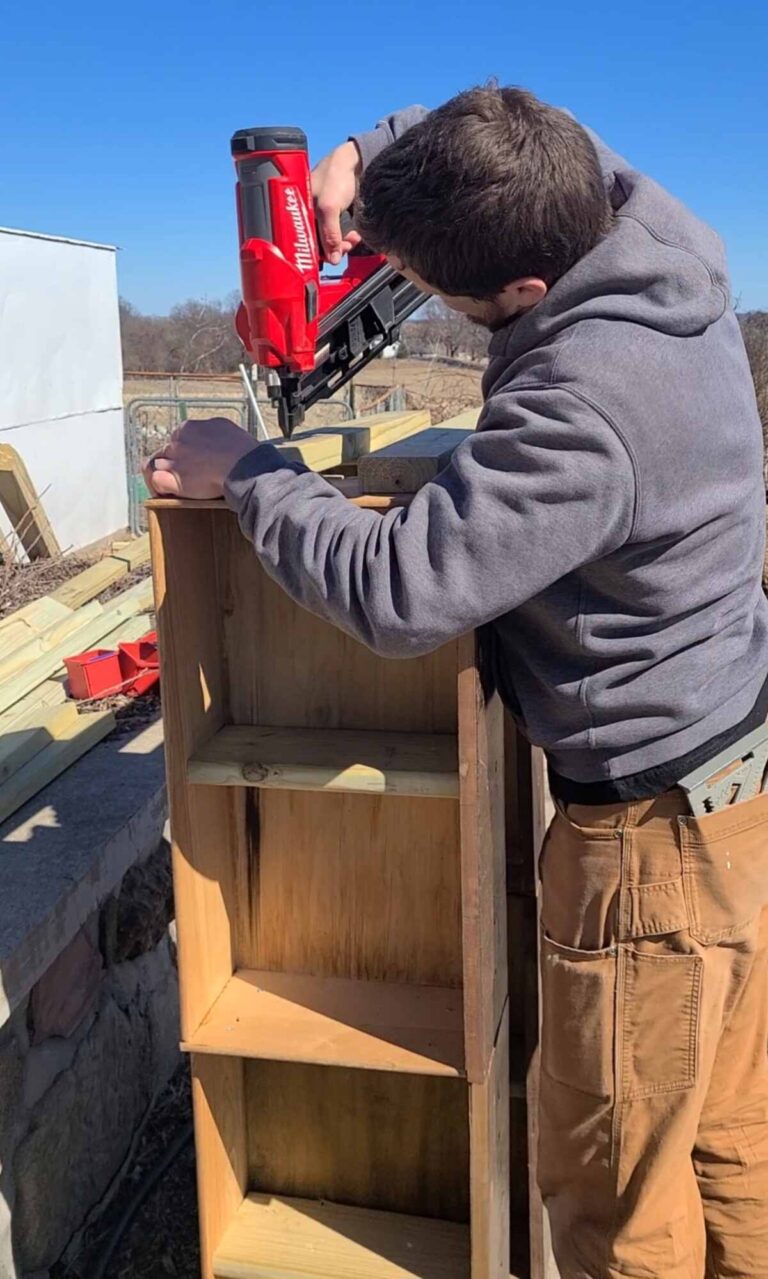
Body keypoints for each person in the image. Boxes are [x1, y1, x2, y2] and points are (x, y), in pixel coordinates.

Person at [146, 87, 768, 1278]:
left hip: (652, 852)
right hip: (736, 786)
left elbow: (400, 594)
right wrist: (360, 160)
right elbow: (509, 117)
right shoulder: (643, 221)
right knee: (726, 1134)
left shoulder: (585, 407)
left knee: (614, 1197)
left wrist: (258, 473)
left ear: (524, 296)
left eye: (442, 293)